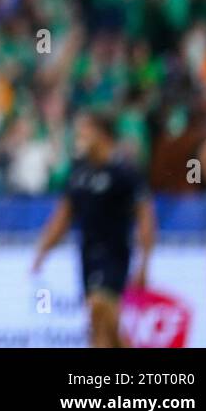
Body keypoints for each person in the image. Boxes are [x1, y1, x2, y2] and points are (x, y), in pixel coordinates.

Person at [31, 112, 157, 347]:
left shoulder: (124, 173)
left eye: (84, 131)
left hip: (115, 254)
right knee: (99, 326)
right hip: (87, 254)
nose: (79, 138)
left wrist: (144, 263)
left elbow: (145, 217)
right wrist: (42, 253)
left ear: (101, 134)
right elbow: (62, 218)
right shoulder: (79, 174)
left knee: (99, 307)